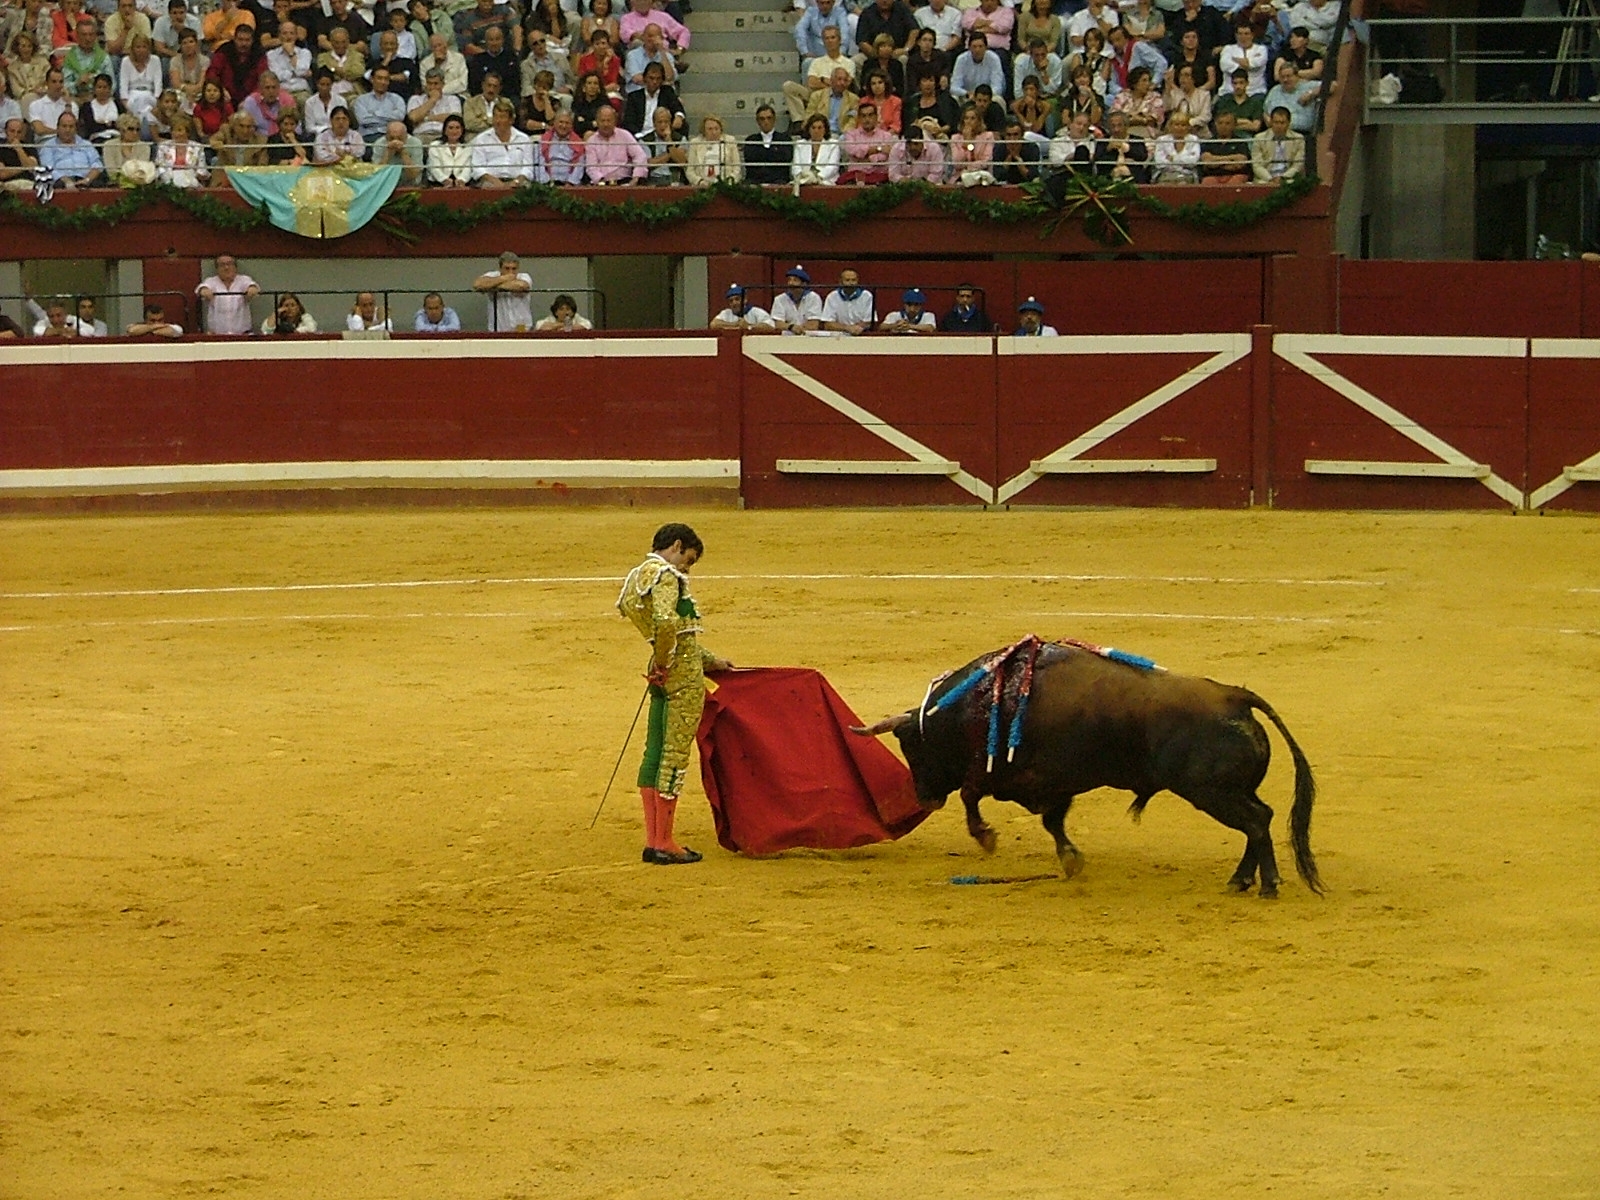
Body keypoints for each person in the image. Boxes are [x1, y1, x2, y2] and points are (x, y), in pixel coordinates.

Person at [615, 522, 732, 866]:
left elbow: (672, 633)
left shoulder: (639, 575)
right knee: (674, 754)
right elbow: (668, 623)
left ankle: (654, 840)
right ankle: (664, 842)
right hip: (677, 674)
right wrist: (668, 662)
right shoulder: (668, 575)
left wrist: (712, 661)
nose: (687, 567)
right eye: (689, 559)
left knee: (654, 749)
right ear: (677, 545)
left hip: (661, 669)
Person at [196, 253, 259, 335]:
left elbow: (252, 287)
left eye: (229, 264)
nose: (226, 268)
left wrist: (251, 289)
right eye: (222, 265)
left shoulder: (243, 279)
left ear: (235, 267)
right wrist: (204, 290)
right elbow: (202, 289)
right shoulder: (211, 281)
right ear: (217, 269)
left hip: (243, 334)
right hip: (217, 335)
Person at [582, 100, 644, 183]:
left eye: (609, 120)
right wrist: (601, 181)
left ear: (615, 121)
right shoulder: (591, 141)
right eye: (603, 121)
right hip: (601, 183)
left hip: (624, 181)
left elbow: (640, 155)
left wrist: (636, 177)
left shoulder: (625, 135)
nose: (606, 124)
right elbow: (591, 167)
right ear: (597, 122)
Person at [38, 110, 105, 186]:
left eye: (71, 126)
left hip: (86, 181)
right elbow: (48, 168)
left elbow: (97, 164)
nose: (67, 130)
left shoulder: (86, 144)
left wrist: (87, 180)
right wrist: (66, 181)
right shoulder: (48, 146)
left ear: (76, 128)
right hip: (60, 182)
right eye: (64, 126)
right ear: (57, 128)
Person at [474, 250, 533, 331]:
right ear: (500, 268)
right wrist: (503, 278)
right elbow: (478, 285)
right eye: (507, 268)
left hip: (521, 328)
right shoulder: (492, 275)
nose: (510, 272)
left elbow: (521, 286)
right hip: (498, 329)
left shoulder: (524, 276)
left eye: (514, 269)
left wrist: (492, 286)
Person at [837, 99, 892, 185]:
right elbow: (854, 151)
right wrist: (878, 149)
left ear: (876, 117)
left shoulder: (886, 136)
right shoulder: (851, 135)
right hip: (855, 176)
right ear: (859, 118)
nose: (867, 119)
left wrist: (863, 157)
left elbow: (883, 157)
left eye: (870, 115)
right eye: (863, 116)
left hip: (878, 177)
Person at [742, 103, 791, 184]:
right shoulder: (750, 140)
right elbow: (750, 161)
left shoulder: (785, 139)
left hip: (779, 182)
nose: (766, 122)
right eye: (762, 119)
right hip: (755, 182)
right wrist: (773, 153)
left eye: (769, 118)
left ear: (774, 119)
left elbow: (785, 160)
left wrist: (762, 154)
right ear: (757, 121)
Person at [684, 112, 739, 185]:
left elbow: (737, 168)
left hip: (726, 184)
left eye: (716, 129)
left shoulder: (730, 141)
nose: (714, 132)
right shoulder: (695, 143)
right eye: (710, 129)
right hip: (702, 185)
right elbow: (690, 171)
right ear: (704, 130)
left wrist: (729, 181)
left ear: (721, 129)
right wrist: (700, 182)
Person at [1251, 104, 1303, 181]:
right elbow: (1257, 165)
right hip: (1266, 178)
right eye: (1276, 122)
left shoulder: (1298, 139)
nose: (1279, 126)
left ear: (1289, 122)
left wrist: (1283, 178)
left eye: (1282, 123)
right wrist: (1270, 179)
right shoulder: (1259, 138)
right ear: (1271, 122)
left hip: (1289, 178)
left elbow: (1298, 165)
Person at [1200, 108, 1251, 183]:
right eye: (1220, 123)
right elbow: (1208, 162)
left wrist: (1216, 161)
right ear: (1215, 124)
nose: (1223, 126)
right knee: (1208, 181)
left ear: (1234, 125)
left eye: (1227, 123)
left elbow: (1240, 163)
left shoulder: (1240, 142)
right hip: (1213, 175)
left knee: (1236, 181)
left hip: (1235, 175)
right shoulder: (1208, 142)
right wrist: (1231, 159)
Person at [770, 264, 822, 334]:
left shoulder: (814, 298)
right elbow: (777, 324)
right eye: (789, 280)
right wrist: (791, 327)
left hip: (808, 337)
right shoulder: (779, 299)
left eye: (795, 280)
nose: (791, 283)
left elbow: (813, 324)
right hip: (785, 338)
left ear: (804, 284)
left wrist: (798, 329)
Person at [1150, 109, 1200, 182]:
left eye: (1183, 125)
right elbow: (1159, 163)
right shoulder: (1162, 140)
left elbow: (1193, 162)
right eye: (1176, 125)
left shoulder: (1193, 139)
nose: (1180, 128)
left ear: (1188, 127)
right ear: (1170, 126)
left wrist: (1173, 159)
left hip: (1187, 175)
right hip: (1166, 175)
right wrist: (1182, 162)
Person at [820, 267, 873, 336]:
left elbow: (869, 322)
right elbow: (828, 324)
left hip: (861, 335)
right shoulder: (832, 296)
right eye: (847, 280)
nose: (851, 283)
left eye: (853, 280)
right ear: (840, 282)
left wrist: (857, 328)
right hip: (838, 337)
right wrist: (847, 328)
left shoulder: (867, 296)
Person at [789, 113, 837, 185]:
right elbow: (795, 167)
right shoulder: (800, 144)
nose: (816, 131)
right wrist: (802, 177)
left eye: (819, 128)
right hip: (803, 180)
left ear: (825, 129)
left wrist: (817, 177)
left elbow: (833, 167)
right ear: (809, 129)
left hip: (825, 181)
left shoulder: (833, 144)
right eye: (813, 128)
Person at [709, 284, 774, 331]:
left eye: (737, 299)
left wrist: (749, 326)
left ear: (745, 299)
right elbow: (714, 324)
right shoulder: (726, 313)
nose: (734, 303)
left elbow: (770, 326)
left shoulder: (756, 312)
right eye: (731, 301)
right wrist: (735, 324)